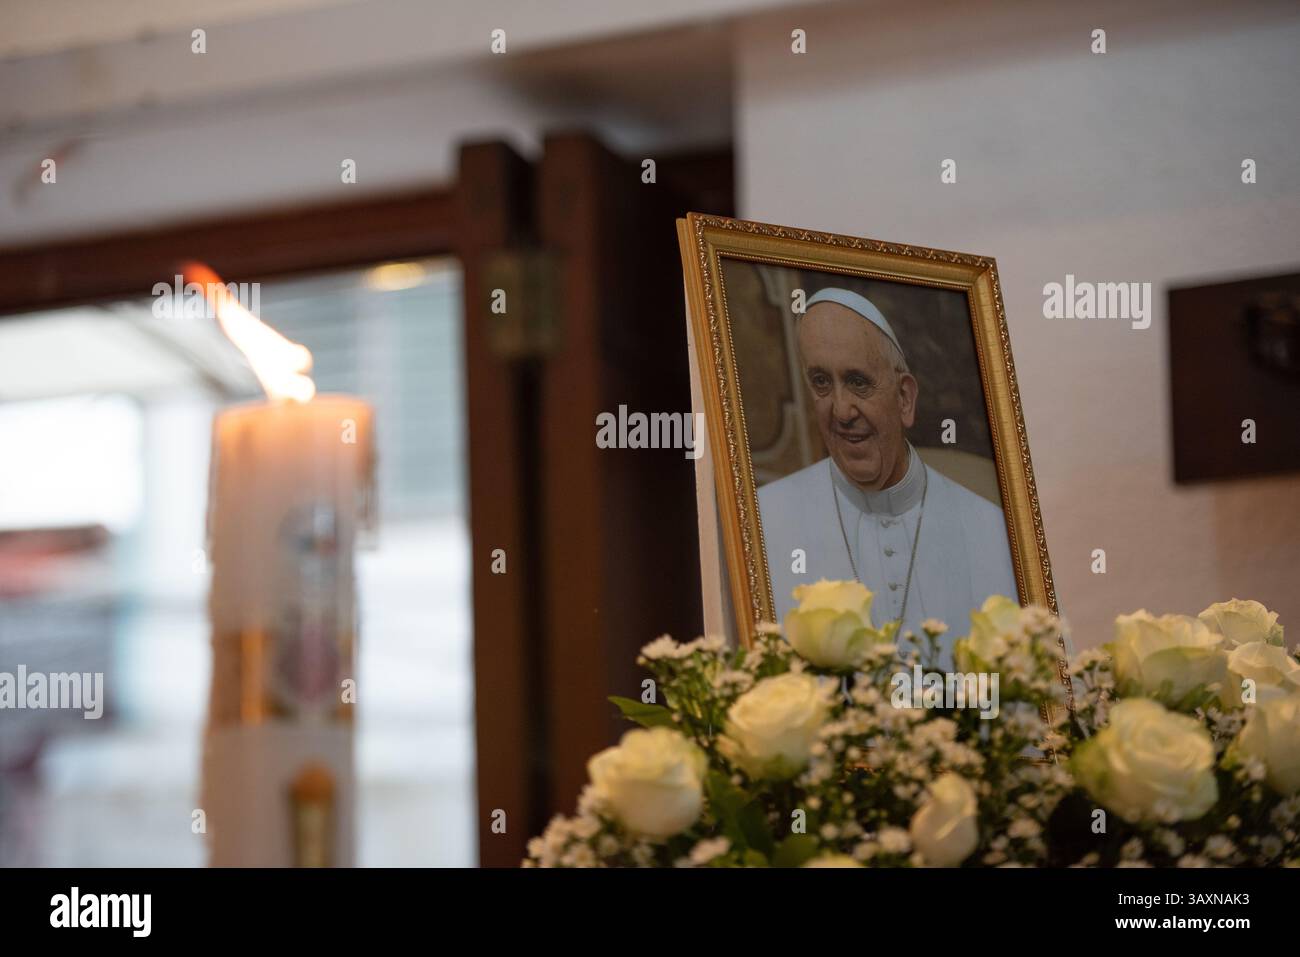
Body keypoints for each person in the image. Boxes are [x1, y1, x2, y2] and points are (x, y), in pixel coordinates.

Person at [758, 287, 1017, 663]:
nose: (841, 410)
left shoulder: (993, 531)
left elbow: (1027, 687)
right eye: (821, 382)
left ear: (904, 398)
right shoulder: (762, 522)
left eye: (858, 382)